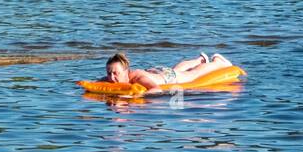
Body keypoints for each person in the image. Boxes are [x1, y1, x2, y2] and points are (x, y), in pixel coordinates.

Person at [100, 52, 234, 95]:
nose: (111, 77)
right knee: (177, 68)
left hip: (168, 77)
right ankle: (200, 59)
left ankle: (219, 62)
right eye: (109, 73)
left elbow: (156, 89)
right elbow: (99, 81)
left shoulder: (137, 78)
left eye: (115, 73)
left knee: (193, 74)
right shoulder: (110, 79)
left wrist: (136, 97)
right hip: (157, 70)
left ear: (125, 71)